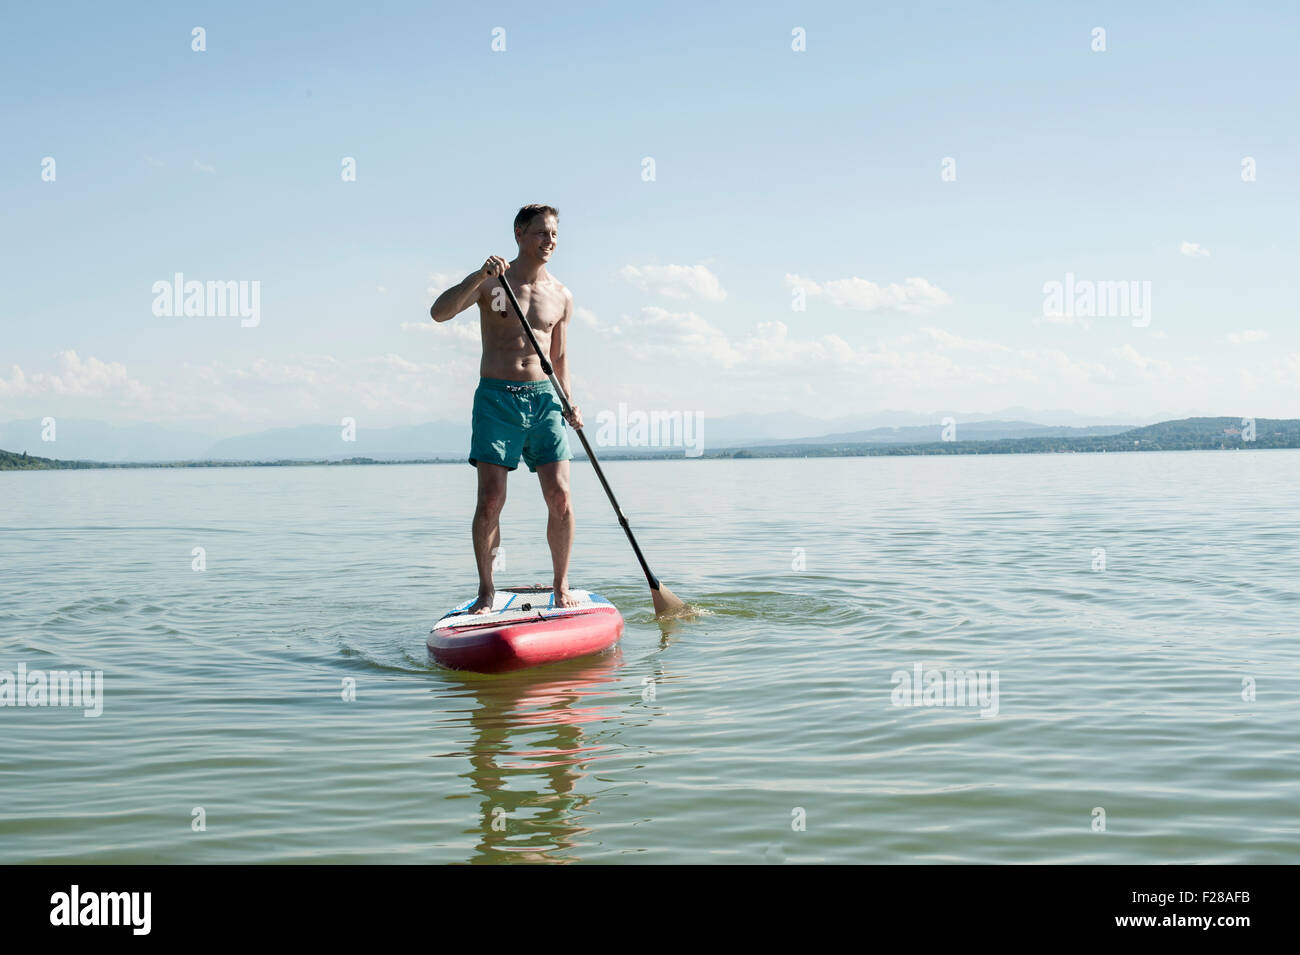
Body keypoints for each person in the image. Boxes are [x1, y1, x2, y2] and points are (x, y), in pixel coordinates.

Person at [430, 204, 584, 613]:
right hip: (497, 398)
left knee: (561, 497)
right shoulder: (493, 281)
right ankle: (486, 590)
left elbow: (560, 357)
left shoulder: (562, 295)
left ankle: (561, 584)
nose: (549, 241)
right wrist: (478, 276)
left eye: (553, 234)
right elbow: (439, 313)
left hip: (545, 399)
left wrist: (570, 401)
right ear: (519, 233)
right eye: (541, 233)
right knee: (491, 500)